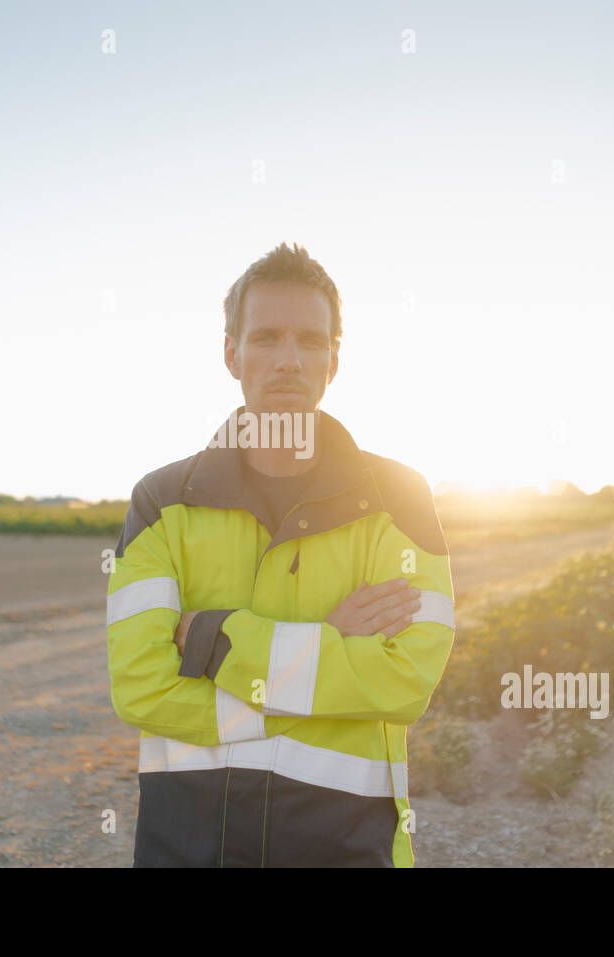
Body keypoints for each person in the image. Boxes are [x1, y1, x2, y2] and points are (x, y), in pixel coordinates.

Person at [106, 241, 455, 867]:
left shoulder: (397, 498)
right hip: (189, 849)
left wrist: (214, 642)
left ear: (335, 360)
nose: (289, 360)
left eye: (311, 341)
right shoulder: (161, 503)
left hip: (346, 847)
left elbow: (406, 682)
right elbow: (141, 689)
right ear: (231, 354)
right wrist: (328, 645)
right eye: (266, 337)